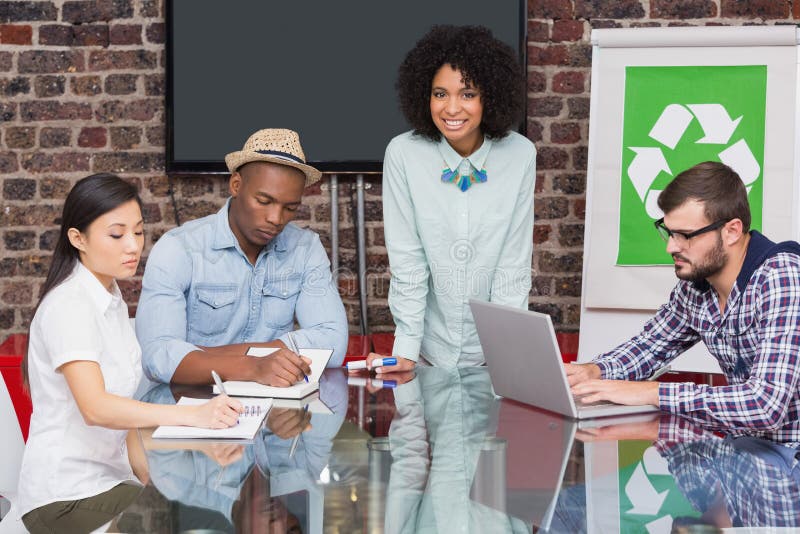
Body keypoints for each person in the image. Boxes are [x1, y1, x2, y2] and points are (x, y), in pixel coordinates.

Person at [17, 174, 243, 534]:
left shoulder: (111, 300)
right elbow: (97, 409)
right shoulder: (69, 305)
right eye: (117, 234)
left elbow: (127, 426)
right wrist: (194, 418)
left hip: (110, 484)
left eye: (138, 232)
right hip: (63, 499)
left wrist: (197, 450)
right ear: (78, 239)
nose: (133, 246)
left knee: (192, 510)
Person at [568, 161, 800, 445]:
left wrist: (651, 393)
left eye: (685, 235)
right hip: (746, 459)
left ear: (732, 231)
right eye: (669, 232)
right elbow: (650, 346)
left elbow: (765, 404)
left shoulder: (783, 276)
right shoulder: (695, 288)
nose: (671, 247)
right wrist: (593, 372)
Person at [368, 25, 536, 372]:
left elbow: (513, 263)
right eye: (440, 94)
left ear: (490, 95)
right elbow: (408, 261)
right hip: (427, 354)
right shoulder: (403, 154)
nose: (452, 108)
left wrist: (508, 353)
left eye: (468, 93)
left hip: (494, 356)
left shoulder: (520, 155)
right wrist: (407, 348)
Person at [136, 128, 348, 386]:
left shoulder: (305, 248)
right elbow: (157, 357)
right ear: (236, 185)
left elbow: (333, 343)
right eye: (263, 201)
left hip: (274, 412)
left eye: (290, 208)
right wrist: (254, 366)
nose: (276, 218)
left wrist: (200, 356)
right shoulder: (179, 249)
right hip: (191, 409)